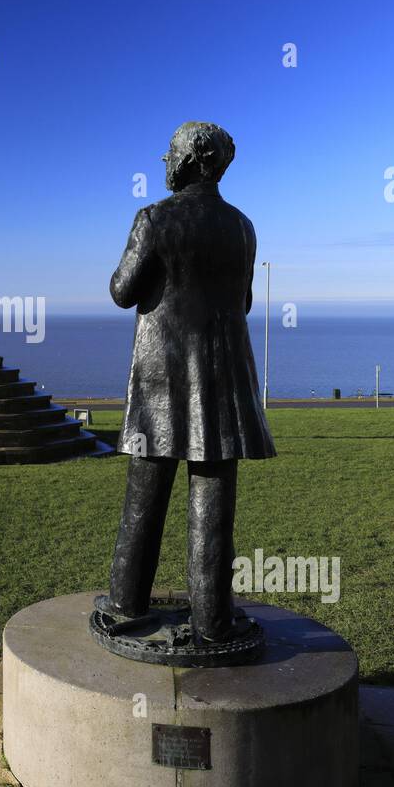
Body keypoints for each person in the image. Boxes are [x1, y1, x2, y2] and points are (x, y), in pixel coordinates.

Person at [101, 122, 276, 644]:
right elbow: (242, 301)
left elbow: (121, 290)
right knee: (215, 498)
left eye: (172, 154)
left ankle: (126, 604)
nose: (166, 163)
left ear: (196, 159)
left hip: (162, 380)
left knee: (145, 495)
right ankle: (211, 622)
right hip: (224, 377)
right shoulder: (242, 226)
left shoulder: (154, 218)